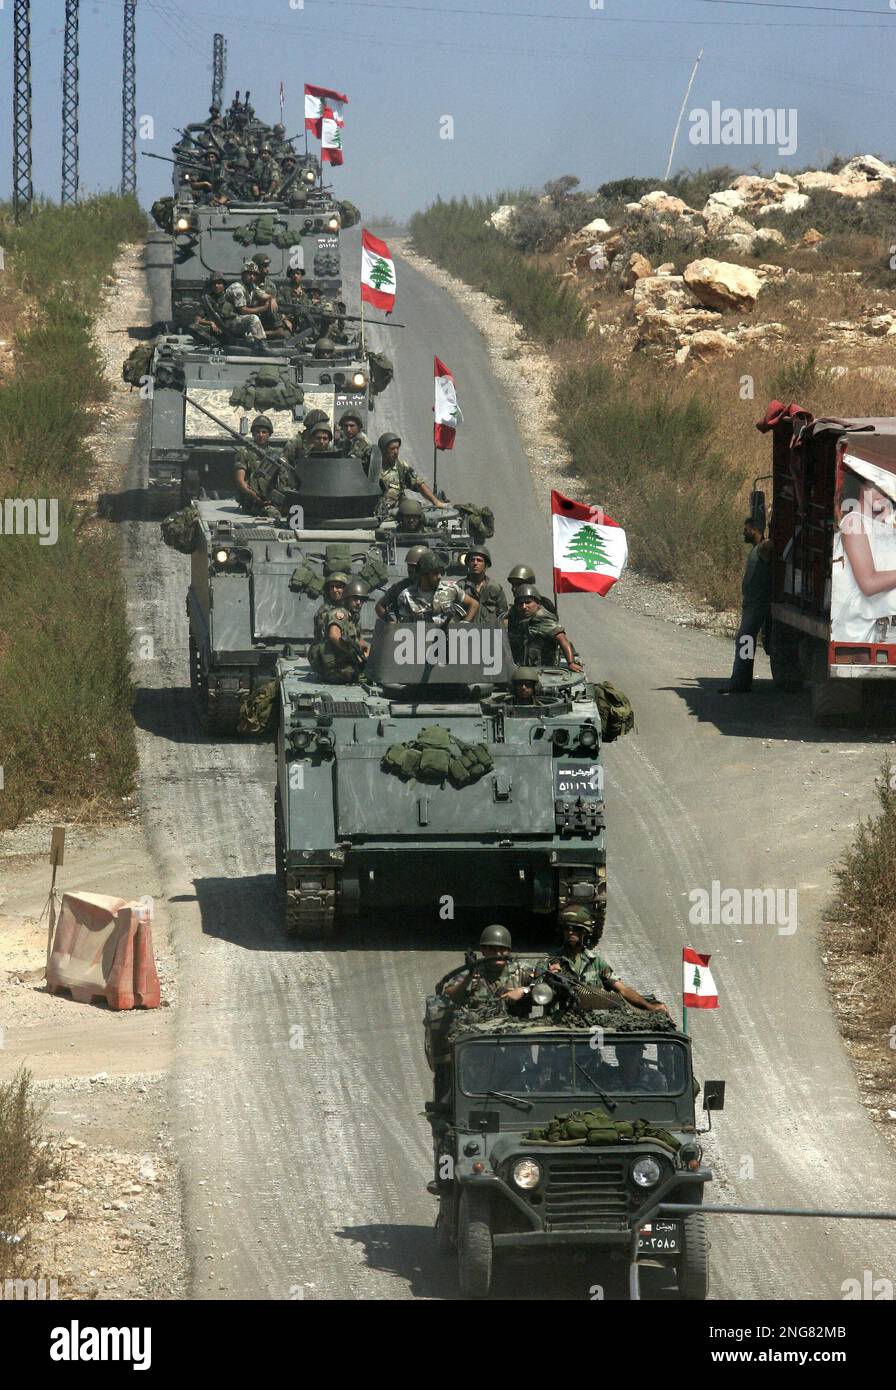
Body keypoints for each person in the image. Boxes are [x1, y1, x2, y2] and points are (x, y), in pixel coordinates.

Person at [546, 908, 668, 1013]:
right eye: (567, 928)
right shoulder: (550, 962)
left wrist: (650, 1007)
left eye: (576, 929)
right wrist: (548, 976)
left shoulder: (596, 963)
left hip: (590, 1025)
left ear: (584, 931)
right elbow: (533, 986)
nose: (570, 932)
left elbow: (623, 990)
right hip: (558, 1026)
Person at [830, 470, 896, 644]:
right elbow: (868, 583)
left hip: (878, 626)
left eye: (886, 487)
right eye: (876, 486)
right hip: (856, 631)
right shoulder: (854, 523)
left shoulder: (883, 525)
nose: (883, 493)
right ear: (861, 486)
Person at [719, 516, 773, 695]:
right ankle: (743, 680)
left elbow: (771, 547)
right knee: (745, 640)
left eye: (746, 529)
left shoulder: (764, 548)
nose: (744, 533)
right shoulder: (757, 549)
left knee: (744, 640)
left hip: (757, 605)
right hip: (752, 604)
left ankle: (740, 682)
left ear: (754, 529)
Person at [441, 924, 533, 1006]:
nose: (497, 953)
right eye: (492, 949)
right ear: (483, 950)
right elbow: (448, 995)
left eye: (502, 949)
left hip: (519, 1023)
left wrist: (524, 990)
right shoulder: (472, 971)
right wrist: (468, 980)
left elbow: (541, 984)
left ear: (509, 951)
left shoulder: (521, 970)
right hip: (478, 1023)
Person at [309, 577, 369, 684]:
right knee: (363, 676)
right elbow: (334, 635)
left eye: (362, 600)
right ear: (347, 599)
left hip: (344, 664)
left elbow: (359, 641)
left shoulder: (353, 618)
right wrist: (352, 652)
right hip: (333, 669)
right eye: (355, 599)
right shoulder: (339, 613)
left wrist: (367, 652)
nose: (359, 603)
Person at [393, 550, 479, 624]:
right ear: (424, 575)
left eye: (441, 572)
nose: (439, 576)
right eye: (435, 573)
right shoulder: (406, 596)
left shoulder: (451, 589)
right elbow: (406, 627)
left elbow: (474, 604)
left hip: (450, 640)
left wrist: (465, 624)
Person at [234, 415, 296, 516]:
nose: (260, 435)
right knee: (273, 514)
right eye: (257, 432)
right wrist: (256, 497)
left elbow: (285, 479)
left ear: (269, 434)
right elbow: (240, 482)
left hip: (273, 497)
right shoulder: (244, 453)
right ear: (253, 434)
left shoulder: (276, 454)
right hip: (252, 500)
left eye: (264, 432)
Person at [510, 584, 581, 671]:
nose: (524, 607)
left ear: (538, 603)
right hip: (520, 668)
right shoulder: (516, 619)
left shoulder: (544, 620)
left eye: (528, 602)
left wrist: (571, 663)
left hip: (542, 670)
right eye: (520, 604)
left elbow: (562, 639)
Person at [377, 433, 445, 512]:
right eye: (392, 449)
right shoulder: (371, 466)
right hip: (374, 513)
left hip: (396, 511)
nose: (396, 452)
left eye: (397, 448)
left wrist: (436, 501)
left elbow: (419, 484)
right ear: (383, 450)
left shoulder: (400, 466)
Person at [375, 545, 429, 620]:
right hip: (405, 630)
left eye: (414, 566)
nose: (410, 569)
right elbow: (380, 606)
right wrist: (391, 622)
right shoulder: (400, 587)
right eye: (409, 565)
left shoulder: (438, 588)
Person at [463, 547, 509, 626]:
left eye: (479, 560)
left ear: (486, 565)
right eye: (472, 560)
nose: (475, 563)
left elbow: (504, 615)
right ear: (468, 564)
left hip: (490, 634)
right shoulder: (460, 587)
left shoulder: (495, 588)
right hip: (466, 634)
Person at [225, 261, 269, 341]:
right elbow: (243, 310)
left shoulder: (251, 286)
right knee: (253, 318)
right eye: (249, 274)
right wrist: (263, 308)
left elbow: (265, 296)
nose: (252, 277)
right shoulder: (237, 288)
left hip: (239, 320)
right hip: (229, 322)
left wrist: (272, 300)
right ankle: (260, 344)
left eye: (254, 274)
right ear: (243, 275)